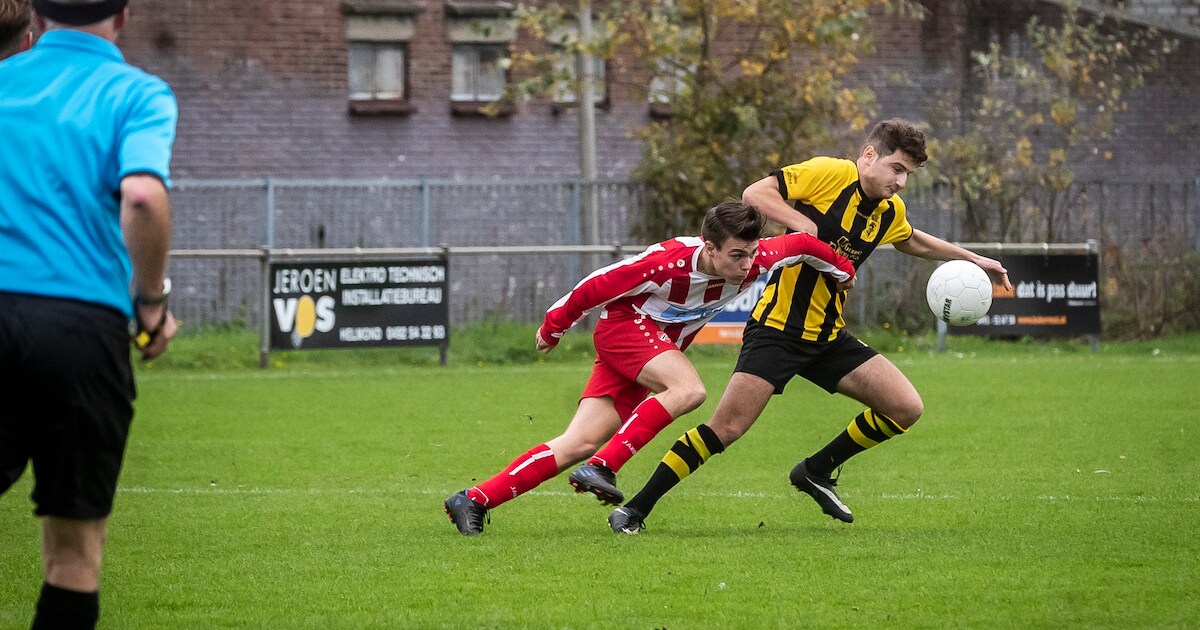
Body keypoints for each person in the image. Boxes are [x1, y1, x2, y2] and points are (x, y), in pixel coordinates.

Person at [609, 118, 1013, 534]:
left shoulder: (888, 211)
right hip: (777, 330)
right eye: (896, 168)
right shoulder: (830, 174)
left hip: (827, 337)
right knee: (726, 429)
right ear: (869, 155)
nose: (901, 181)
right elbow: (756, 193)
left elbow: (911, 239)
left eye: (907, 173)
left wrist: (972, 259)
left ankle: (816, 471)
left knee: (905, 407)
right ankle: (635, 510)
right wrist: (804, 227)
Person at [443, 200, 856, 535]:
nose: (747, 264)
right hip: (623, 330)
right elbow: (595, 286)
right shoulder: (667, 261)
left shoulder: (762, 256)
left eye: (750, 253)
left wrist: (843, 271)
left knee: (578, 442)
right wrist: (553, 328)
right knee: (688, 390)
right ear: (708, 247)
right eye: (736, 255)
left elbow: (806, 245)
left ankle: (473, 499)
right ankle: (604, 466)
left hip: (647, 347)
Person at [0, 1, 179, 628]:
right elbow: (142, 194)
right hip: (82, 330)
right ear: (124, 16)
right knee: (73, 556)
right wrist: (151, 303)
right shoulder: (137, 93)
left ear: (39, 16)